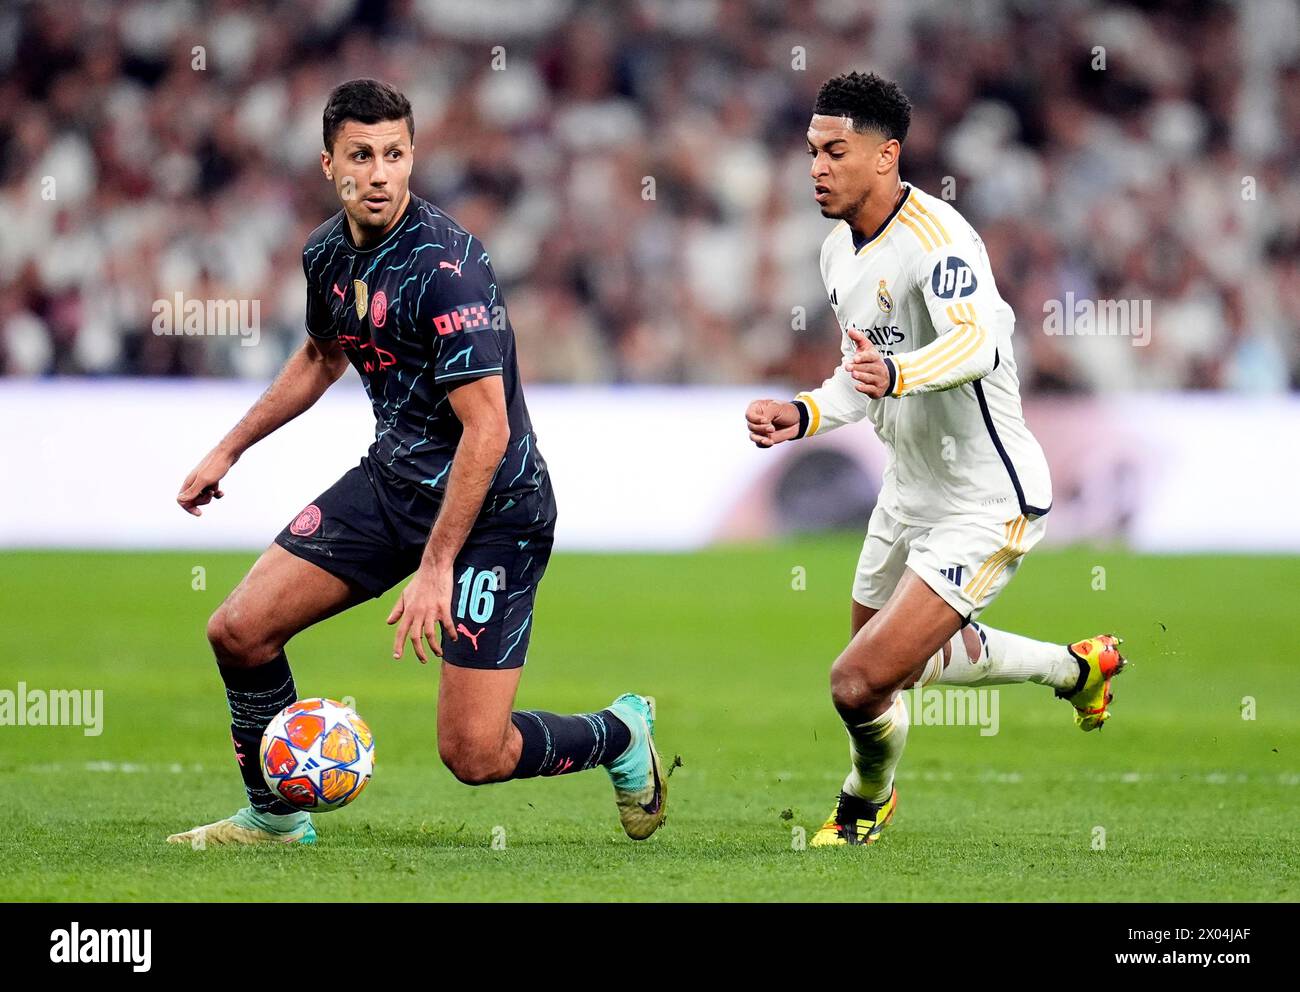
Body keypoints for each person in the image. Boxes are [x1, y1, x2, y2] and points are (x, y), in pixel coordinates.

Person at [169, 78, 666, 847]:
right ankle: (275, 816)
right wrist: (227, 448)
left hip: (495, 509)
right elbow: (319, 357)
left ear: (412, 158)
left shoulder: (448, 269)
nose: (378, 173)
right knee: (238, 632)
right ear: (328, 163)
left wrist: (438, 565)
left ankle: (619, 734)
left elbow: (489, 431)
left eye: (394, 155)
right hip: (395, 484)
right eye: (361, 156)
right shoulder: (324, 254)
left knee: (474, 754)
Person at [744, 72, 1126, 847]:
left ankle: (866, 802)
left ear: (886, 156)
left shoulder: (941, 240)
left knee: (856, 678)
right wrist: (803, 412)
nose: (815, 166)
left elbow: (979, 342)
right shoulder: (835, 253)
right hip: (909, 490)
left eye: (835, 151)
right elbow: (863, 377)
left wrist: (901, 373)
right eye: (811, 150)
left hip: (987, 498)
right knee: (887, 672)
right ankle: (1076, 669)